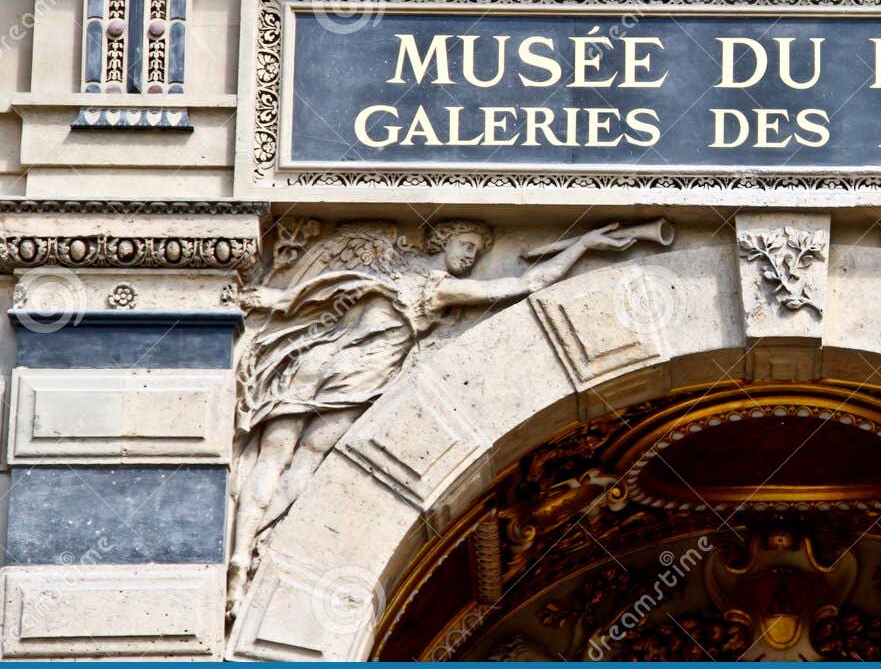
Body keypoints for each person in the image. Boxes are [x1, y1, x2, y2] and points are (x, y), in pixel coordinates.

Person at [227, 220, 639, 612]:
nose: (469, 259)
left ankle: (248, 550)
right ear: (443, 241)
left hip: (341, 374)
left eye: (476, 253)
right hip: (333, 369)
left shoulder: (406, 275)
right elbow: (525, 282)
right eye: (465, 247)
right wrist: (582, 245)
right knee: (278, 457)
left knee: (295, 460)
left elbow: (528, 283)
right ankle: (243, 551)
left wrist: (580, 244)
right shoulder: (425, 285)